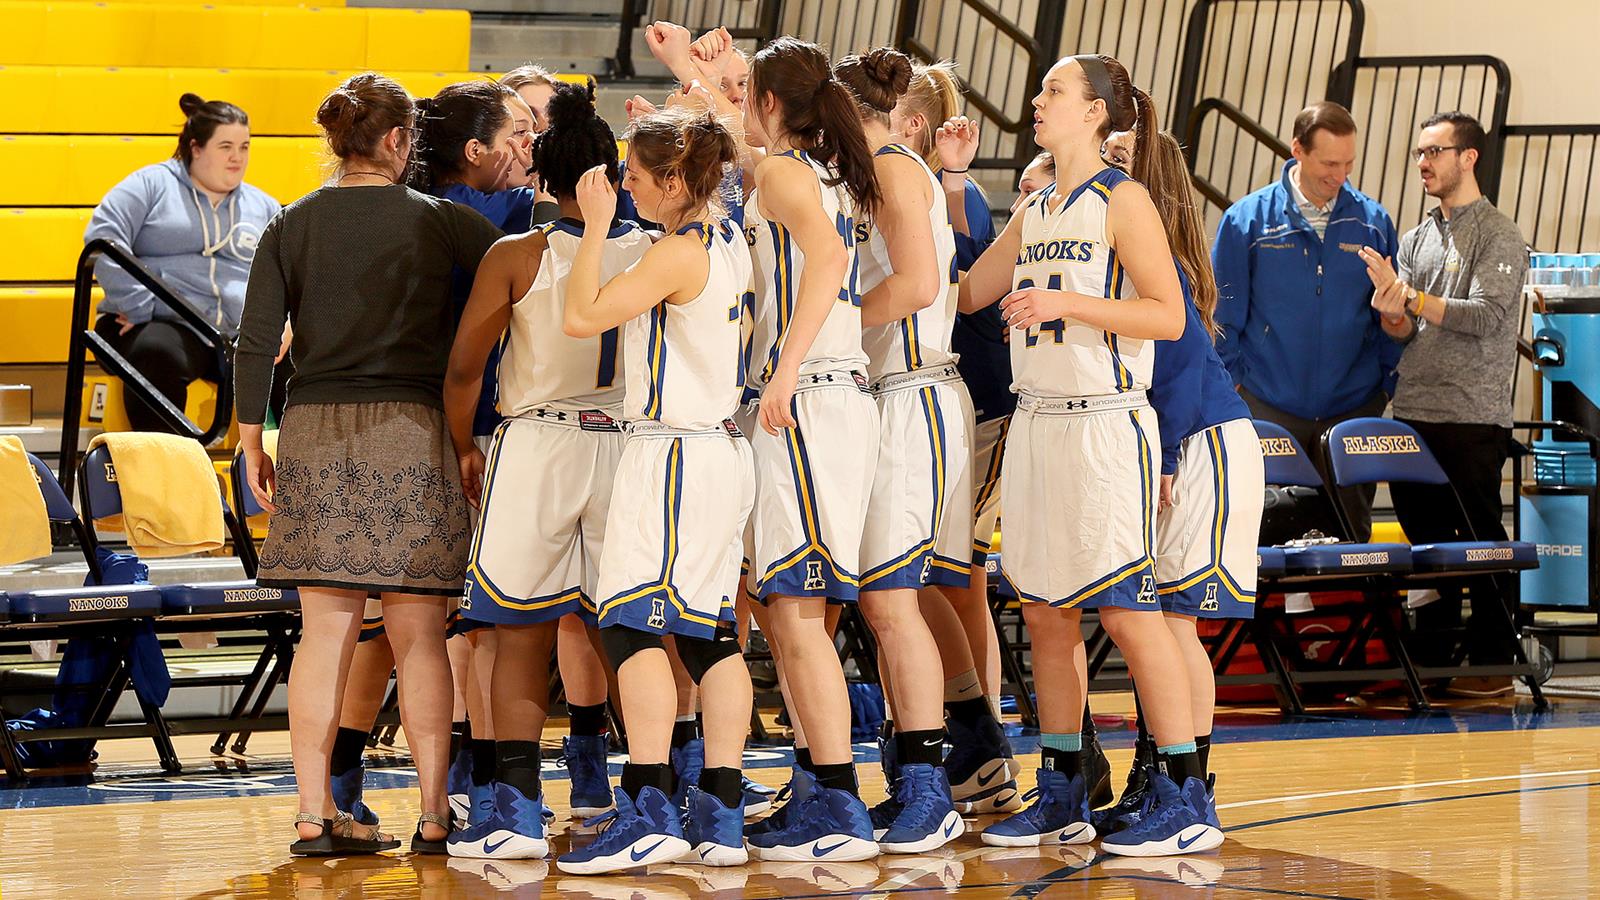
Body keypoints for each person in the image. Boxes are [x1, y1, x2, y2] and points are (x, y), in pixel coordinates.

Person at [235, 73, 502, 857]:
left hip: (313, 431)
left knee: (326, 635)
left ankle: (313, 814)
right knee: (419, 634)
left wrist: (249, 441)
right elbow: (525, 280)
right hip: (411, 430)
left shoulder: (289, 222)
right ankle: (434, 814)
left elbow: (255, 342)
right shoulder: (442, 221)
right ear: (395, 140)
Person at [960, 54, 1220, 857]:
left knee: (1129, 612)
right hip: (1037, 422)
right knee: (1044, 612)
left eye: (1054, 91)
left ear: (1096, 112)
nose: (1037, 100)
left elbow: (1169, 316)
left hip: (1105, 424)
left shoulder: (1123, 198)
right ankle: (1064, 789)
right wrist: (948, 184)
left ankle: (1186, 795)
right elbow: (968, 292)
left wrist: (1067, 301)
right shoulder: (1037, 205)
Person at [440, 82, 649, 861]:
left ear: (542, 178)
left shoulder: (516, 254)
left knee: (520, 631)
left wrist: (462, 444)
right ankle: (650, 795)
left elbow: (465, 369)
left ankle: (517, 810)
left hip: (539, 444)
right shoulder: (661, 252)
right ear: (615, 176)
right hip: (628, 444)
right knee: (627, 631)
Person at [554, 108, 756, 874]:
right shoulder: (728, 235)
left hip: (673, 454)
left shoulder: (677, 251)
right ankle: (722, 814)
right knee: (708, 637)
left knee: (627, 626)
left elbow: (581, 317)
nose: (625, 185)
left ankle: (648, 809)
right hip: (719, 450)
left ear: (674, 180)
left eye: (635, 175)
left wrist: (594, 228)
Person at [736, 36, 883, 863]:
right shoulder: (829, 172)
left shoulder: (784, 175)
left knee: (794, 613)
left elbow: (827, 259)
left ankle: (837, 803)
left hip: (808, 398)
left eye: (747, 96)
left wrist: (784, 368)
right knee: (803, 615)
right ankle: (818, 787)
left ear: (769, 103)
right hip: (839, 399)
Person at [1094, 129, 1266, 835]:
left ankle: (1187, 788)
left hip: (1205, 444)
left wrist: (1164, 458)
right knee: (1160, 624)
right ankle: (1162, 774)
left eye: (1116, 161)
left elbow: (1183, 374)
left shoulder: (1158, 266)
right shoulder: (1143, 257)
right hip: (1185, 444)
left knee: (1173, 623)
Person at [835, 47, 968, 854]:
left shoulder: (889, 165)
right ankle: (917, 774)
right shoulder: (884, 166)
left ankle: (929, 786)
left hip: (911, 389)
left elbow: (917, 284)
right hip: (899, 391)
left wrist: (829, 320)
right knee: (887, 603)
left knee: (892, 600)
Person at [1362, 111, 1530, 698]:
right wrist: (1392, 311)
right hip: (1415, 412)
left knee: (1481, 541)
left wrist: (1410, 295)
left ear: (1468, 157)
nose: (1423, 163)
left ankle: (1495, 662)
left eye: (1434, 151)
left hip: (1472, 416)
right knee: (1426, 545)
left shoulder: (1499, 234)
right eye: (1419, 152)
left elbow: (1485, 316)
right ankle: (1430, 662)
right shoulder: (1416, 238)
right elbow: (1408, 330)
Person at [1211, 101, 1398, 539]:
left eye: (1349, 163)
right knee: (1264, 533)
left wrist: (1385, 385)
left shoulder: (1373, 223)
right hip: (1267, 403)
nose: (1340, 175)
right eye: (1330, 163)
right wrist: (1235, 386)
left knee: (1350, 541)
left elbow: (1388, 311)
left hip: (1352, 405)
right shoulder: (1246, 221)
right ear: (1297, 150)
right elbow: (1222, 315)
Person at [87, 93, 280, 433]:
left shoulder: (263, 206)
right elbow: (102, 240)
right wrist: (139, 305)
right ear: (196, 148)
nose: (237, 157)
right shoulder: (150, 185)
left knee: (306, 363)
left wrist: (285, 324)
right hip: (160, 322)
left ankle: (298, 463)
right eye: (225, 147)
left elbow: (288, 273)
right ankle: (164, 462)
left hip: (236, 335)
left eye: (244, 147)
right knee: (158, 352)